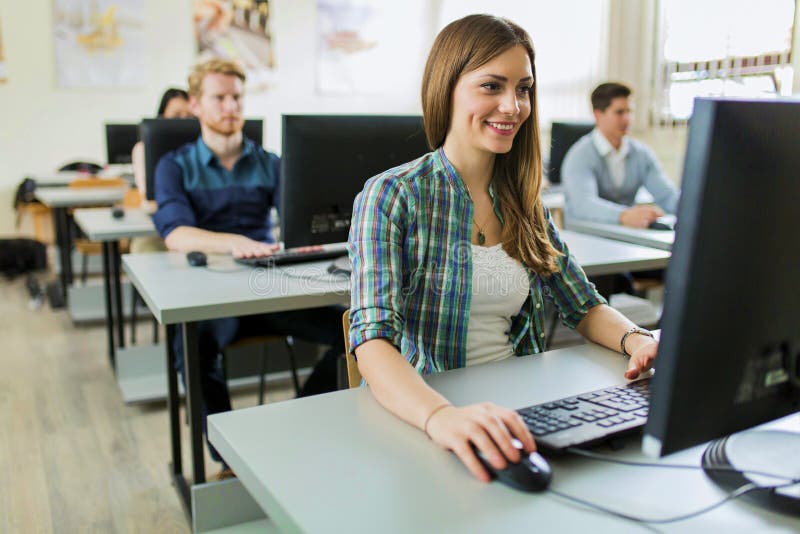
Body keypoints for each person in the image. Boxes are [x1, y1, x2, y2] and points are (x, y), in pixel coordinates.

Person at [347, 14, 659, 483]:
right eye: (491, 86)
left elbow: (583, 305)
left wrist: (639, 340)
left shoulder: (522, 199)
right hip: (429, 411)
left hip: (522, 405)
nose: (512, 106)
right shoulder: (392, 196)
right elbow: (372, 342)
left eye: (524, 88)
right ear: (446, 87)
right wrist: (442, 417)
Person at [152, 59, 344, 475]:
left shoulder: (270, 162)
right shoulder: (173, 166)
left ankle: (292, 430)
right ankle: (231, 461)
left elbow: (299, 221)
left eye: (236, 97)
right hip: (209, 292)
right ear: (197, 106)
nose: (230, 106)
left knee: (354, 330)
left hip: (268, 285)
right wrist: (237, 244)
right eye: (218, 98)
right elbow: (176, 234)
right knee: (190, 346)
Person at [562, 82, 680, 228]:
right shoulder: (580, 156)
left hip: (625, 235)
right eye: (619, 112)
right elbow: (583, 205)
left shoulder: (641, 154)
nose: (627, 119)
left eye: (629, 111)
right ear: (598, 115)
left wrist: (693, 211)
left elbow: (667, 196)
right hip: (586, 235)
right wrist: (625, 215)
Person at [131, 88, 193, 211]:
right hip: (161, 214)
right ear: (162, 117)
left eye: (190, 117)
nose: (184, 122)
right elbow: (149, 196)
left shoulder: (199, 151)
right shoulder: (143, 150)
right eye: (176, 116)